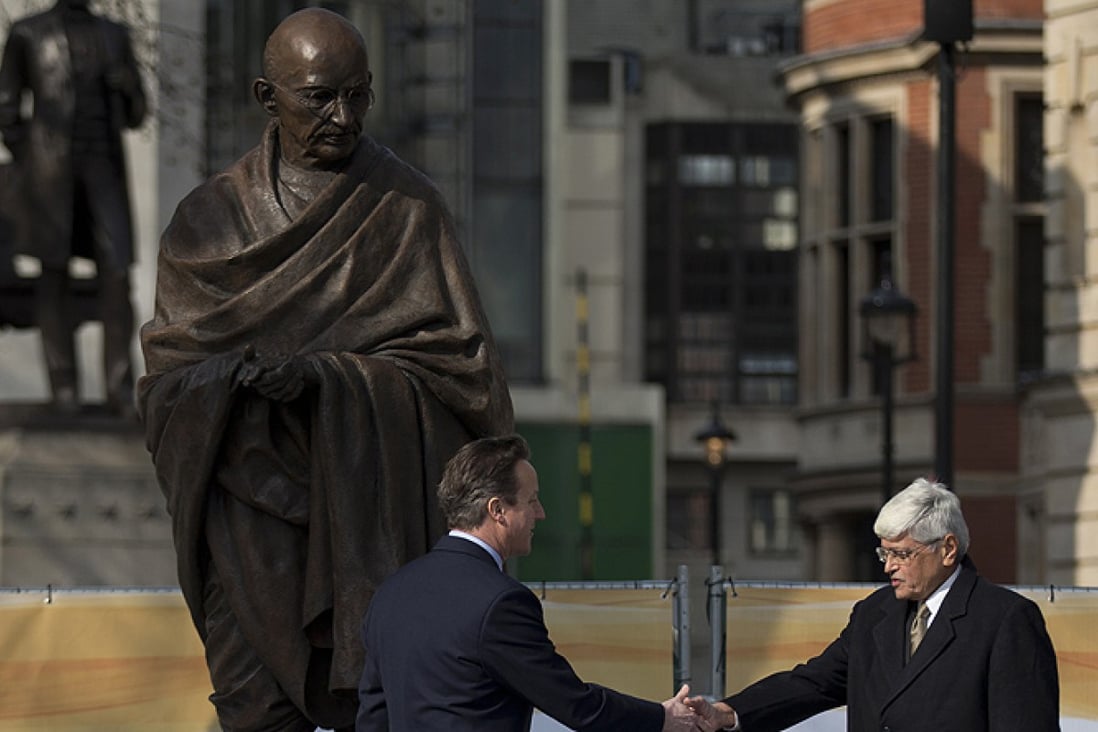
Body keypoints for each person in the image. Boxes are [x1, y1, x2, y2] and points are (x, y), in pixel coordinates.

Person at [138, 8, 512, 731]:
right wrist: (234, 380)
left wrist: (329, 380)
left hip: (369, 511)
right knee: (252, 711)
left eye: (359, 94)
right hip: (248, 510)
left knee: (376, 705)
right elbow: (165, 381)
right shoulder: (207, 222)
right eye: (319, 96)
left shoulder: (406, 210)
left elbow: (468, 379)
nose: (343, 116)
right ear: (266, 96)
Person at [357, 434, 699, 732]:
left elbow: (373, 717)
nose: (541, 513)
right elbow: (575, 704)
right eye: (531, 500)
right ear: (497, 510)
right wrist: (662, 717)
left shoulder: (391, 593)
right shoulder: (502, 603)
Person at [685, 477, 1060, 731]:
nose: (888, 565)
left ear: (948, 549)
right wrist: (727, 713)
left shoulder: (1005, 619)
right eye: (884, 552)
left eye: (901, 553)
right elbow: (813, 682)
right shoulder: (874, 613)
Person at [0, 0, 146, 415]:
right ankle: (63, 387)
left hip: (104, 167)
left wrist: (127, 87)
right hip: (50, 171)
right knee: (54, 271)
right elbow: (6, 103)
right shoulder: (28, 33)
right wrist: (29, 156)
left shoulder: (116, 35)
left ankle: (119, 388)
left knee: (117, 271)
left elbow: (137, 114)